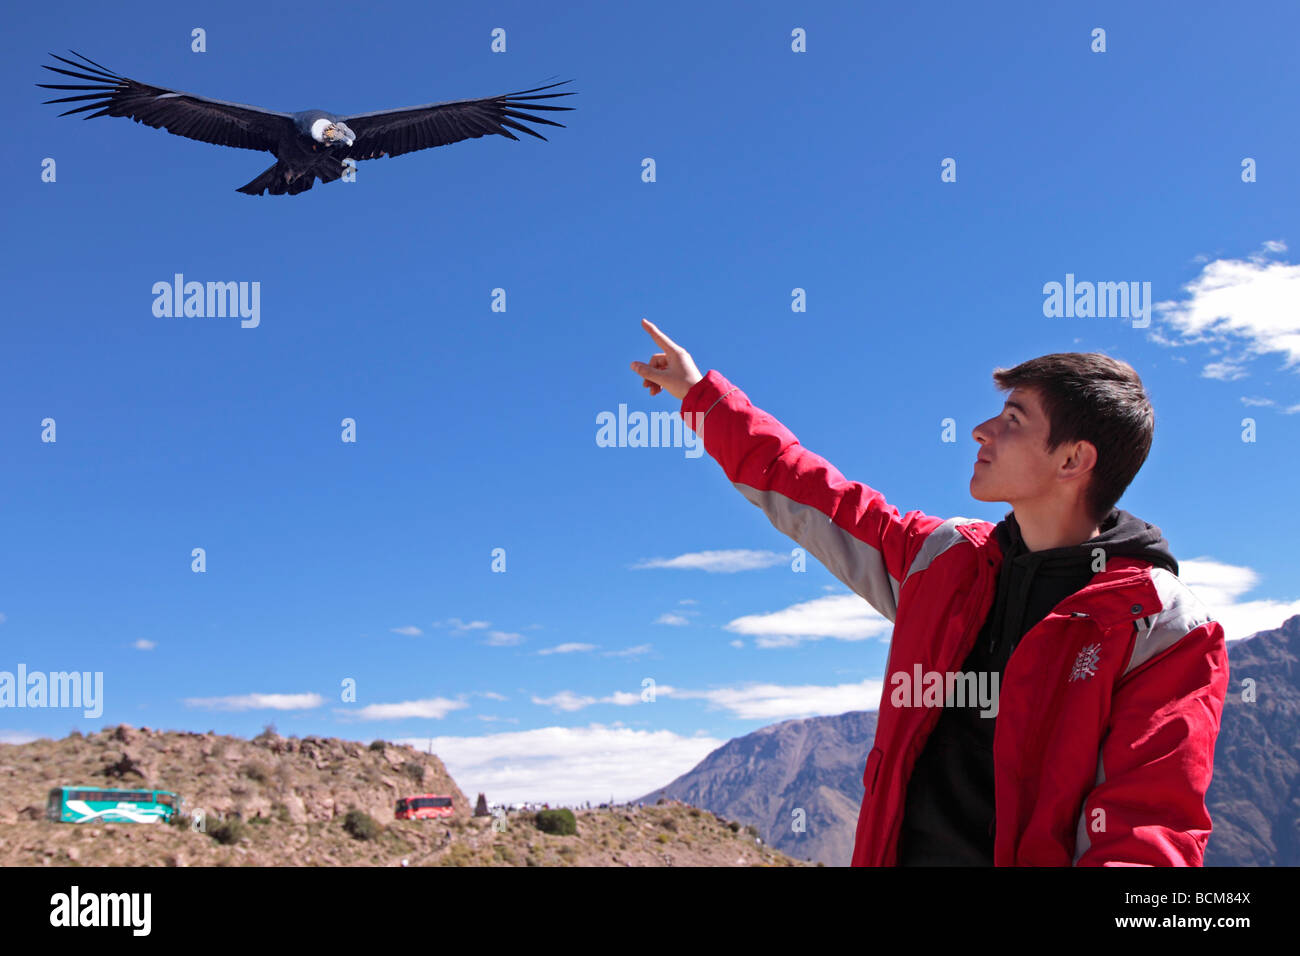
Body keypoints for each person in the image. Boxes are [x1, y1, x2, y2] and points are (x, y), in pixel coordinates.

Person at [629, 318, 1228, 867]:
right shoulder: (943, 561)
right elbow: (812, 491)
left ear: (1073, 459)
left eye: (1013, 419)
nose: (981, 430)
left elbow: (1147, 834)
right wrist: (701, 398)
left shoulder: (1162, 628)